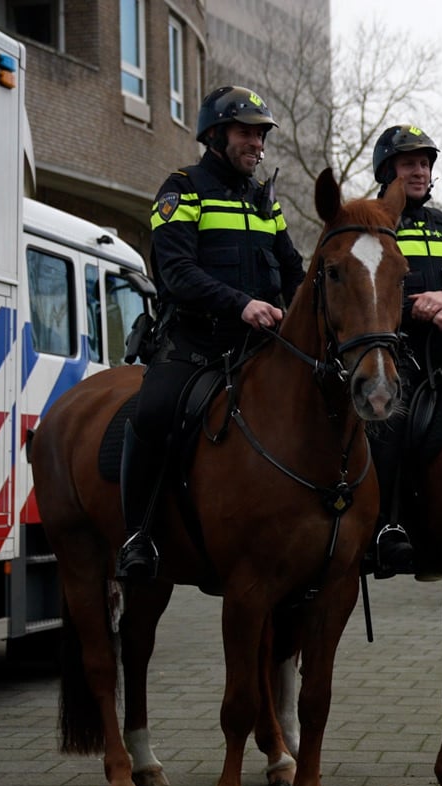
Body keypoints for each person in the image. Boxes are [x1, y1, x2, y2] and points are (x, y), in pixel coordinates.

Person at [116, 85, 305, 579]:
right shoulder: (182, 188)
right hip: (194, 345)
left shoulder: (267, 200)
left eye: (261, 136)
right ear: (216, 135)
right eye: (247, 133)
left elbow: (292, 272)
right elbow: (175, 271)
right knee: (152, 412)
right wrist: (241, 304)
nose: (257, 145)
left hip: (259, 347)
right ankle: (138, 536)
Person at [367, 124, 442, 576]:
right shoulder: (374, 221)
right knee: (391, 429)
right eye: (408, 163)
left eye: (424, 163)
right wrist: (420, 307)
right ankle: (387, 528)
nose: (418, 171)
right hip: (399, 351)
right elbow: (366, 289)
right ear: (388, 171)